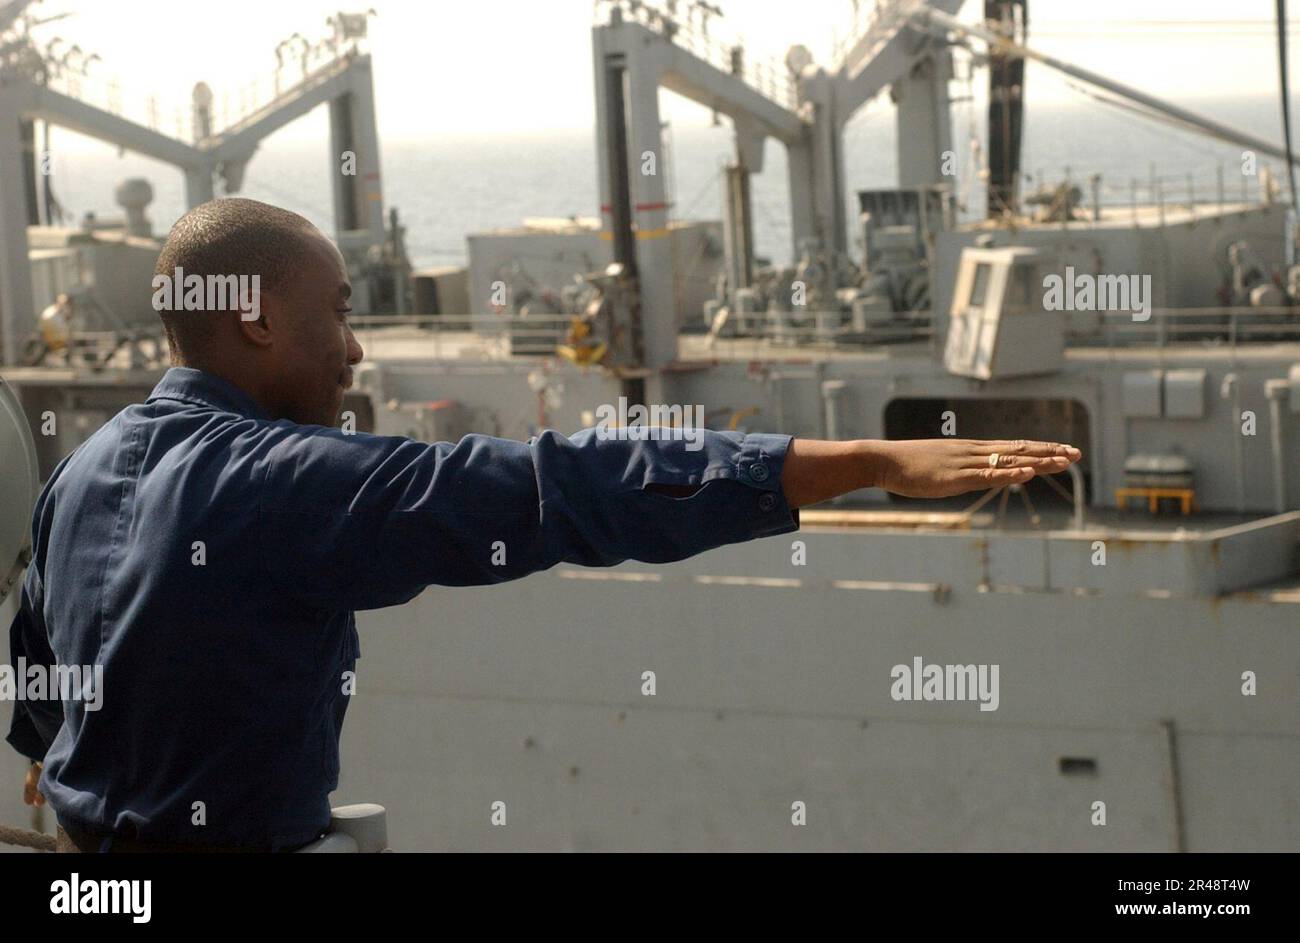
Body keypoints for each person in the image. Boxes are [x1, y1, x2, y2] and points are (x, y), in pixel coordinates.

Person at [7, 197, 1081, 852]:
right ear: (255, 317)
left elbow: (36, 669)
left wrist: (74, 781)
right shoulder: (277, 481)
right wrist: (855, 461)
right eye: (338, 310)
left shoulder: (85, 470)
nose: (355, 346)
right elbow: (549, 487)